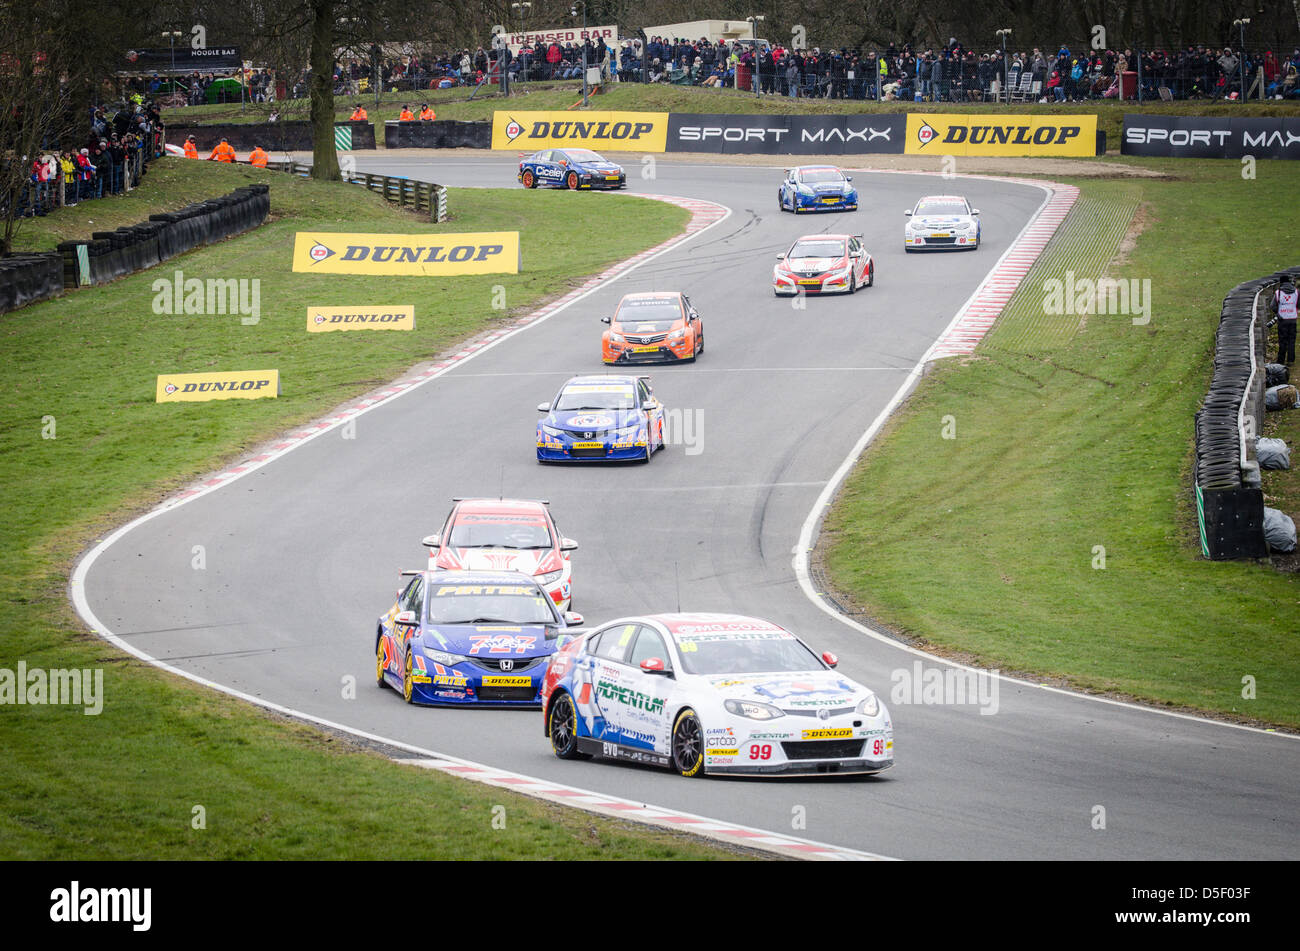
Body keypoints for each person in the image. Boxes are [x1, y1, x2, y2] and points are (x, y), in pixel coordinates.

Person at [1276, 279, 1298, 364]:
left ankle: (1281, 360)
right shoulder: (1296, 292)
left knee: (1282, 340)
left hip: (1282, 319)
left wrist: (1278, 313)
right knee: (1291, 340)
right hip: (1293, 319)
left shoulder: (1278, 293)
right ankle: (1290, 360)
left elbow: (1273, 306)